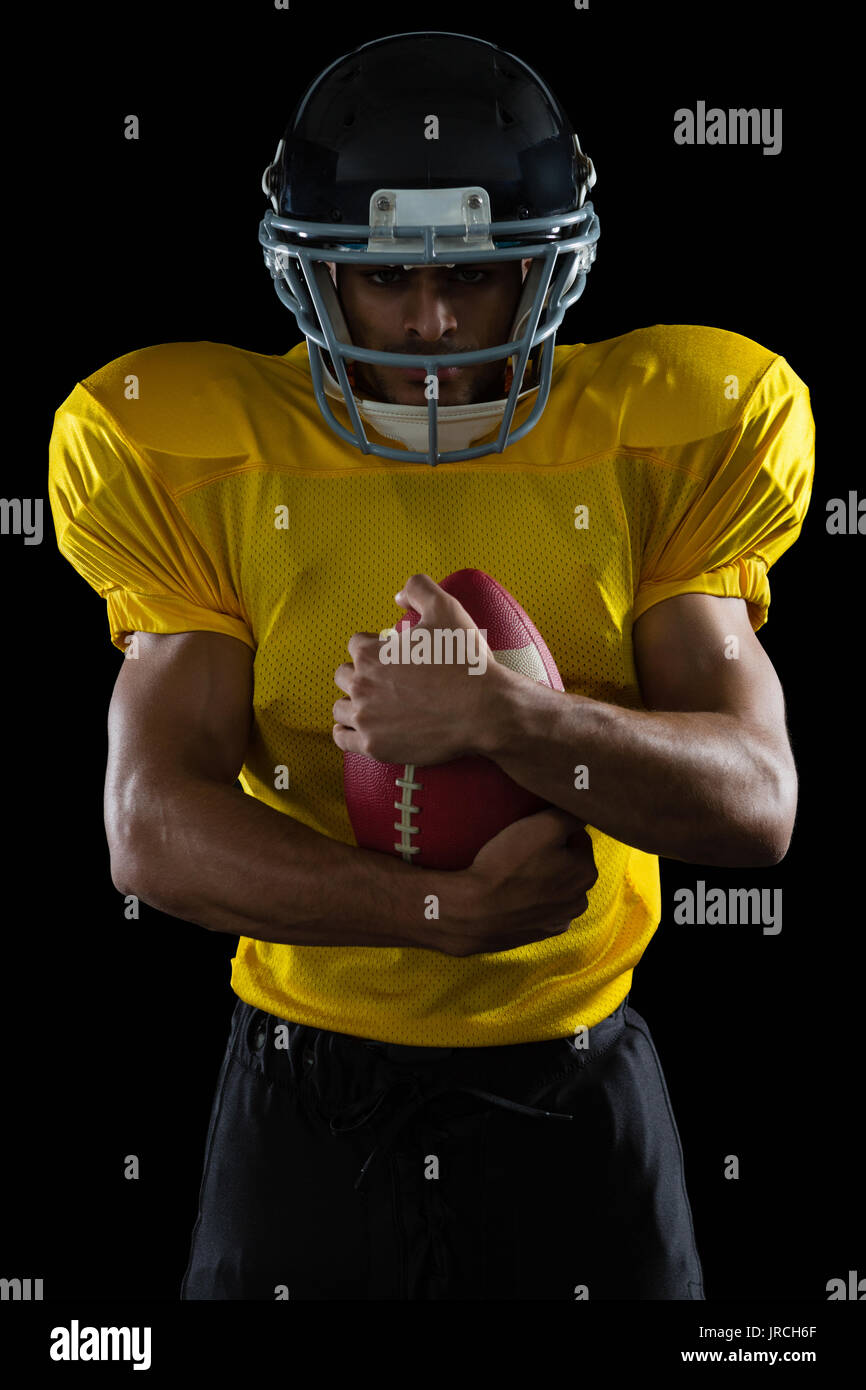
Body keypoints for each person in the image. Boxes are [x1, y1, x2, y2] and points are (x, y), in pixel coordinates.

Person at [47, 31, 814, 1301]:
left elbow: (755, 802)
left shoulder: (664, 431)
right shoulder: (203, 453)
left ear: (547, 269)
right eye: (386, 282)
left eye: (472, 274)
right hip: (302, 1089)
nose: (434, 325)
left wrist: (512, 719)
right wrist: (435, 915)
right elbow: (147, 828)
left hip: (575, 1082)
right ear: (311, 279)